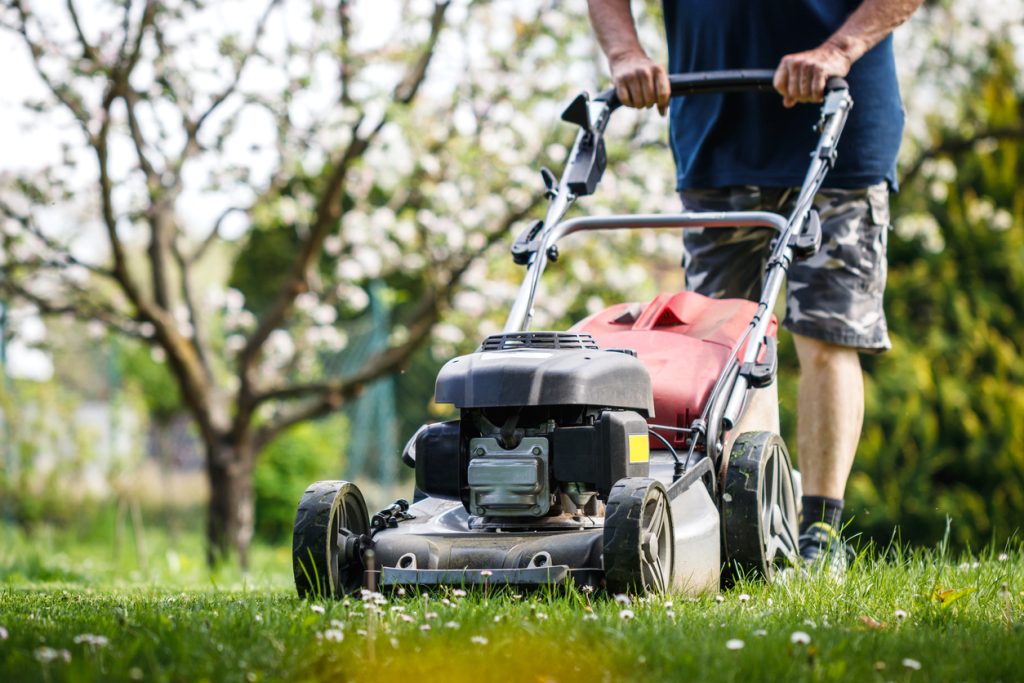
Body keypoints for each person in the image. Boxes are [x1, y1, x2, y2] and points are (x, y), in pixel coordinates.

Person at [587, 0, 924, 573]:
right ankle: (752, 527)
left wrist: (838, 50)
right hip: (715, 133)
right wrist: (625, 54)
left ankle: (820, 529)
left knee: (828, 334)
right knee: (732, 350)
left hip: (840, 129)